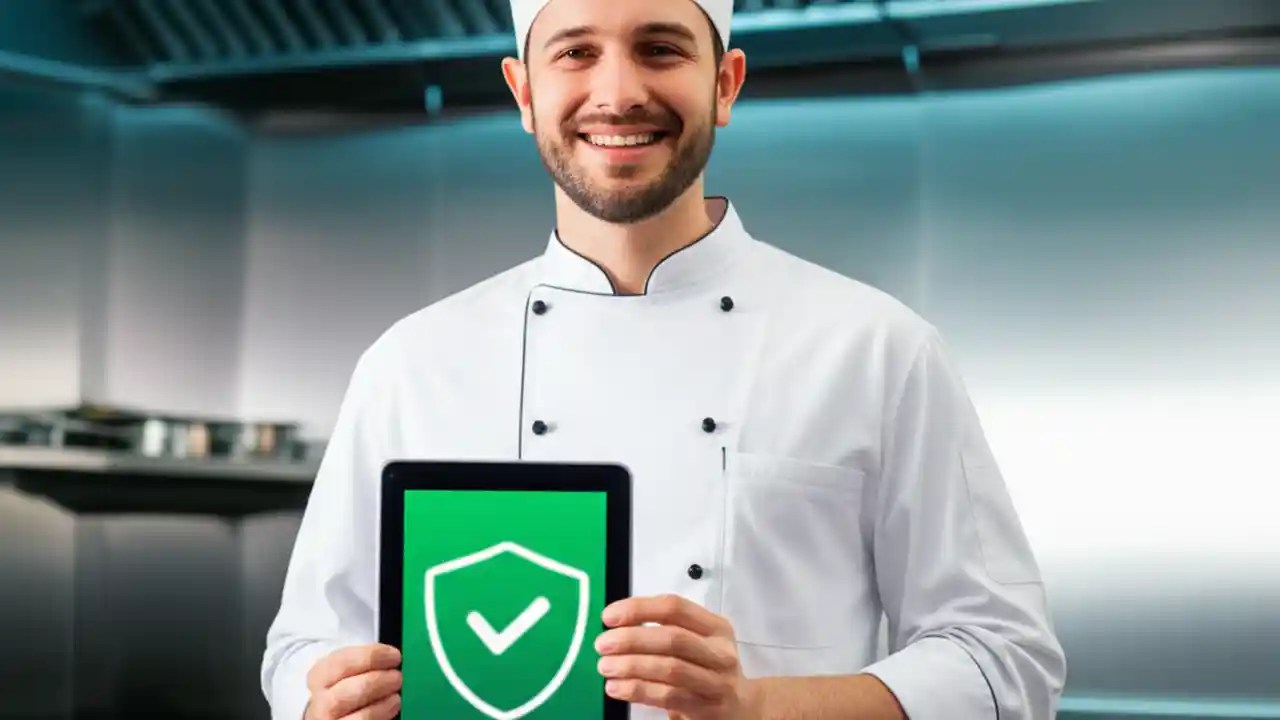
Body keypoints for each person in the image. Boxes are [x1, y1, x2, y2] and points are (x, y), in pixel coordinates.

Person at [260, 0, 1068, 717]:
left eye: (660, 48)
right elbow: (301, 648)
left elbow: (1003, 660)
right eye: (576, 51)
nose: (618, 93)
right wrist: (324, 699)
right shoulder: (412, 364)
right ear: (523, 91)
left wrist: (754, 707)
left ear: (725, 84)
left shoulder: (875, 349)